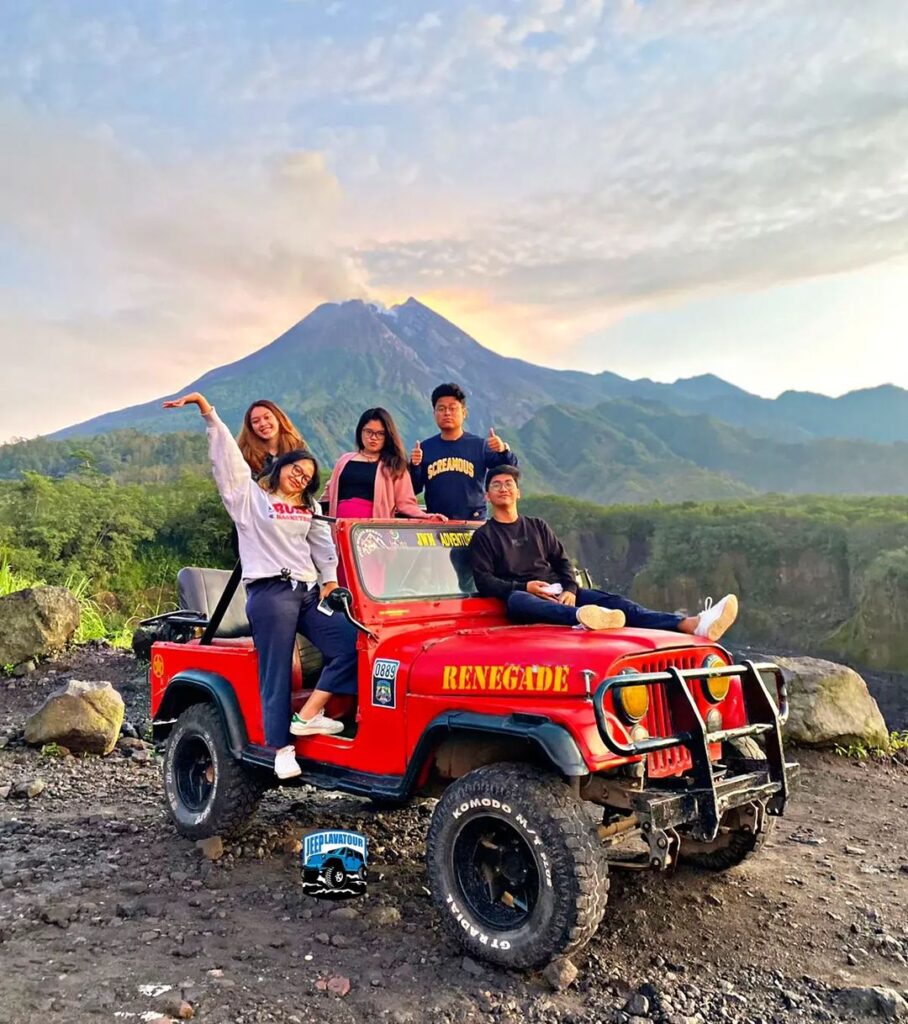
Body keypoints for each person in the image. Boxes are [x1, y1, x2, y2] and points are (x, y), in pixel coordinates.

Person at [163, 391, 358, 780]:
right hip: (271, 594)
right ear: (281, 467)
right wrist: (208, 412)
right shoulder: (250, 499)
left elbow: (322, 548)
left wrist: (330, 583)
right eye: (294, 470)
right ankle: (280, 749)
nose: (299, 477)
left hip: (305, 593)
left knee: (350, 645)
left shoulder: (309, 508)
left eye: (306, 475)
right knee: (276, 672)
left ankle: (306, 717)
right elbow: (228, 464)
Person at [469, 465, 739, 639]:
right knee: (517, 601)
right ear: (487, 496)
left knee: (618, 603)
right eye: (496, 485)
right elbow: (484, 581)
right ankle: (583, 618)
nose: (503, 488)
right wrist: (525, 586)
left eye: (508, 484)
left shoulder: (537, 526)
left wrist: (570, 591)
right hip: (526, 599)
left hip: (558, 593)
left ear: (518, 493)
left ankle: (692, 624)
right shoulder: (485, 536)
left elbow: (562, 563)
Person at [409, 383, 518, 521]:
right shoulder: (425, 448)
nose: (447, 413)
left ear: (464, 413)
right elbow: (414, 489)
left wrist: (503, 450)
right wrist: (415, 466)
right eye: (441, 409)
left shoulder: (479, 445)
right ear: (434, 413)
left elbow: (509, 470)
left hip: (473, 524)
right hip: (437, 525)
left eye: (452, 408)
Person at [322, 407, 448, 521]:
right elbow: (328, 495)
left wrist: (428, 516)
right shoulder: (344, 460)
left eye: (380, 434)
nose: (373, 437)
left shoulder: (394, 465)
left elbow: (406, 502)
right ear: (360, 432)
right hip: (339, 528)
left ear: (388, 436)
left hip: (373, 532)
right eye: (368, 432)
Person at [236, 399, 307, 481]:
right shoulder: (245, 456)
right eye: (256, 421)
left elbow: (306, 481)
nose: (263, 424)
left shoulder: (297, 447)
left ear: (278, 418)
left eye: (267, 417)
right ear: (251, 428)